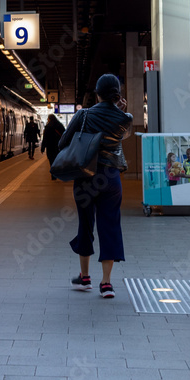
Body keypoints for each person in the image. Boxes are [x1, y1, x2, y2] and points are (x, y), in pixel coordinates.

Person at [59, 73, 133, 299]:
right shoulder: (125, 117)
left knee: (86, 223)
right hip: (110, 179)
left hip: (85, 177)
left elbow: (63, 142)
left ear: (97, 94)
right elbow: (122, 136)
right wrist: (119, 111)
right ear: (117, 94)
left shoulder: (83, 115)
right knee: (109, 225)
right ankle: (107, 283)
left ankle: (85, 277)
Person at [41, 114, 66, 178]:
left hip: (50, 146)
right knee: (58, 159)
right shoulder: (60, 125)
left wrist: (43, 148)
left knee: (51, 159)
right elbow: (64, 135)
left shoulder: (48, 126)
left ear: (49, 119)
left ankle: (53, 175)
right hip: (58, 146)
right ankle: (59, 172)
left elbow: (45, 138)